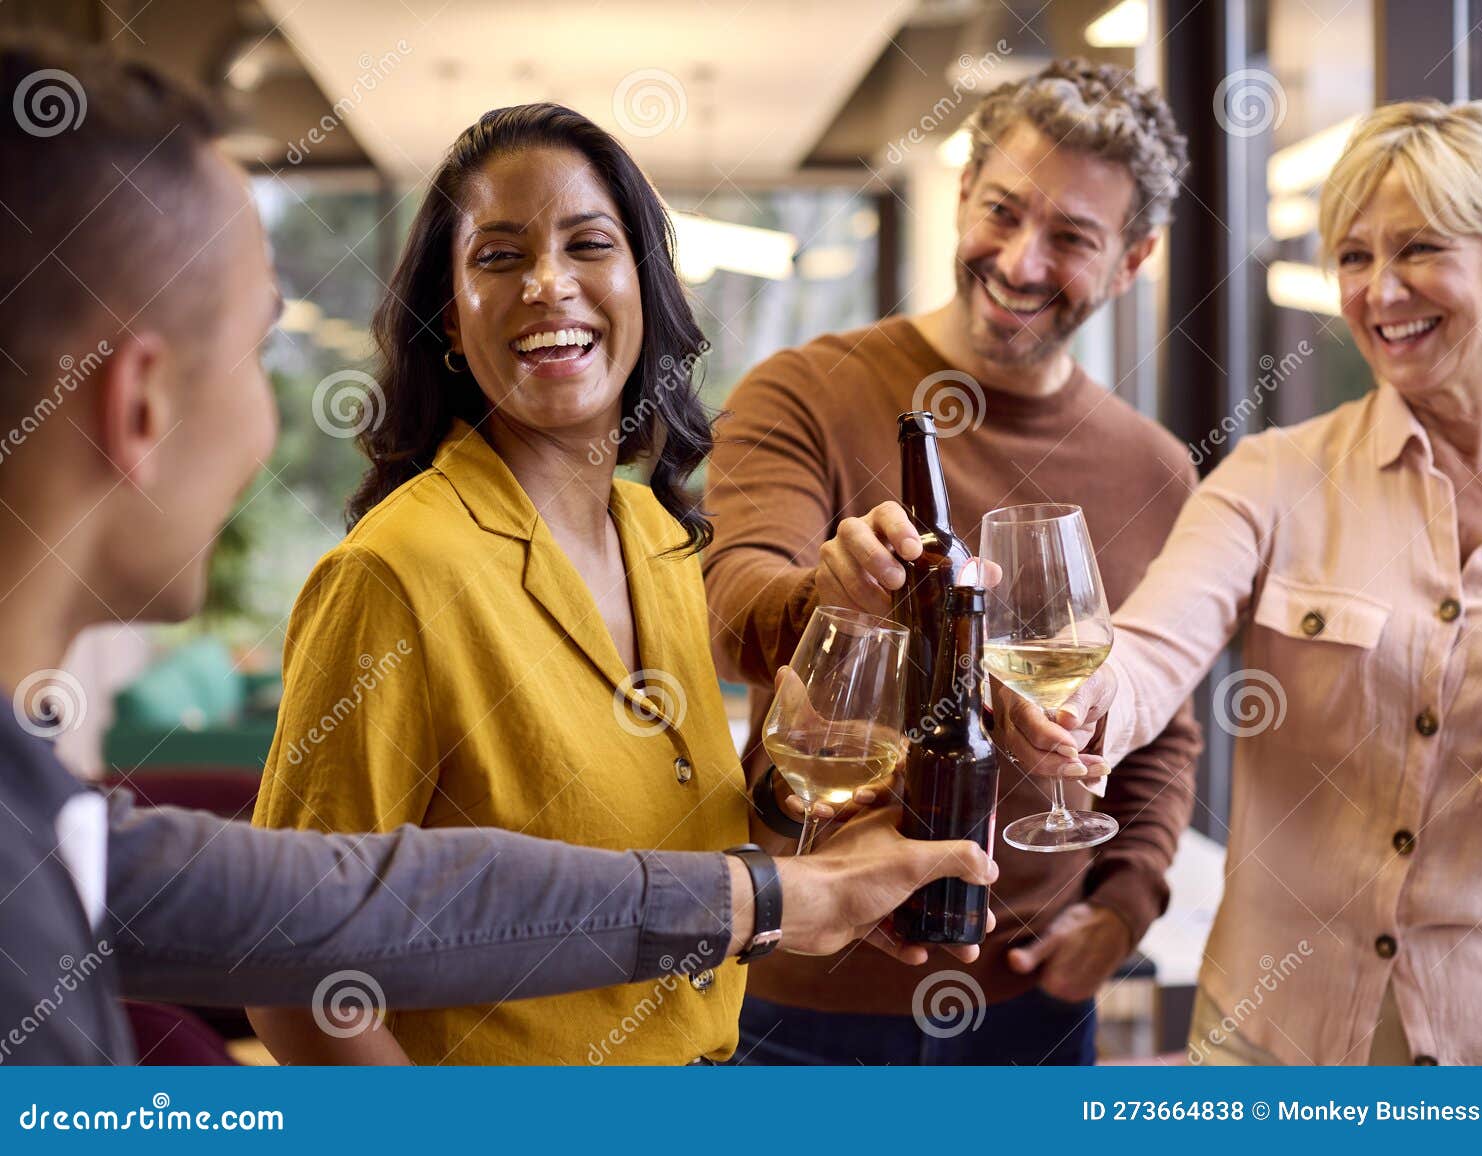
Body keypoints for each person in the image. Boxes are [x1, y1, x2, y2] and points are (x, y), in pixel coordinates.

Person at [0, 35, 997, 1066]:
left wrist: (803, 823)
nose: (548, 287)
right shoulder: (394, 572)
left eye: (589, 245)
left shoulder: (658, 536)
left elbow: (678, 852)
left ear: (647, 286)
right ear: (451, 319)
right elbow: (300, 976)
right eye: (500, 256)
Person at [1055, 100, 1482, 1065]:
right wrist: (1080, 696)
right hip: (1277, 1048)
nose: (1379, 291)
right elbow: (1147, 651)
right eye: (1353, 256)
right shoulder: (1274, 475)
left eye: (1420, 249)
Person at [703, 59, 1202, 1065]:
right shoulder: (803, 389)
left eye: (1069, 237)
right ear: (961, 198)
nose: (1019, 261)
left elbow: (1165, 724)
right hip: (808, 993)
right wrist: (828, 591)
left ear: (1133, 258)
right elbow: (732, 609)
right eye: (1001, 211)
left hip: (1030, 1000)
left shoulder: (1153, 466)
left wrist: (1125, 903)